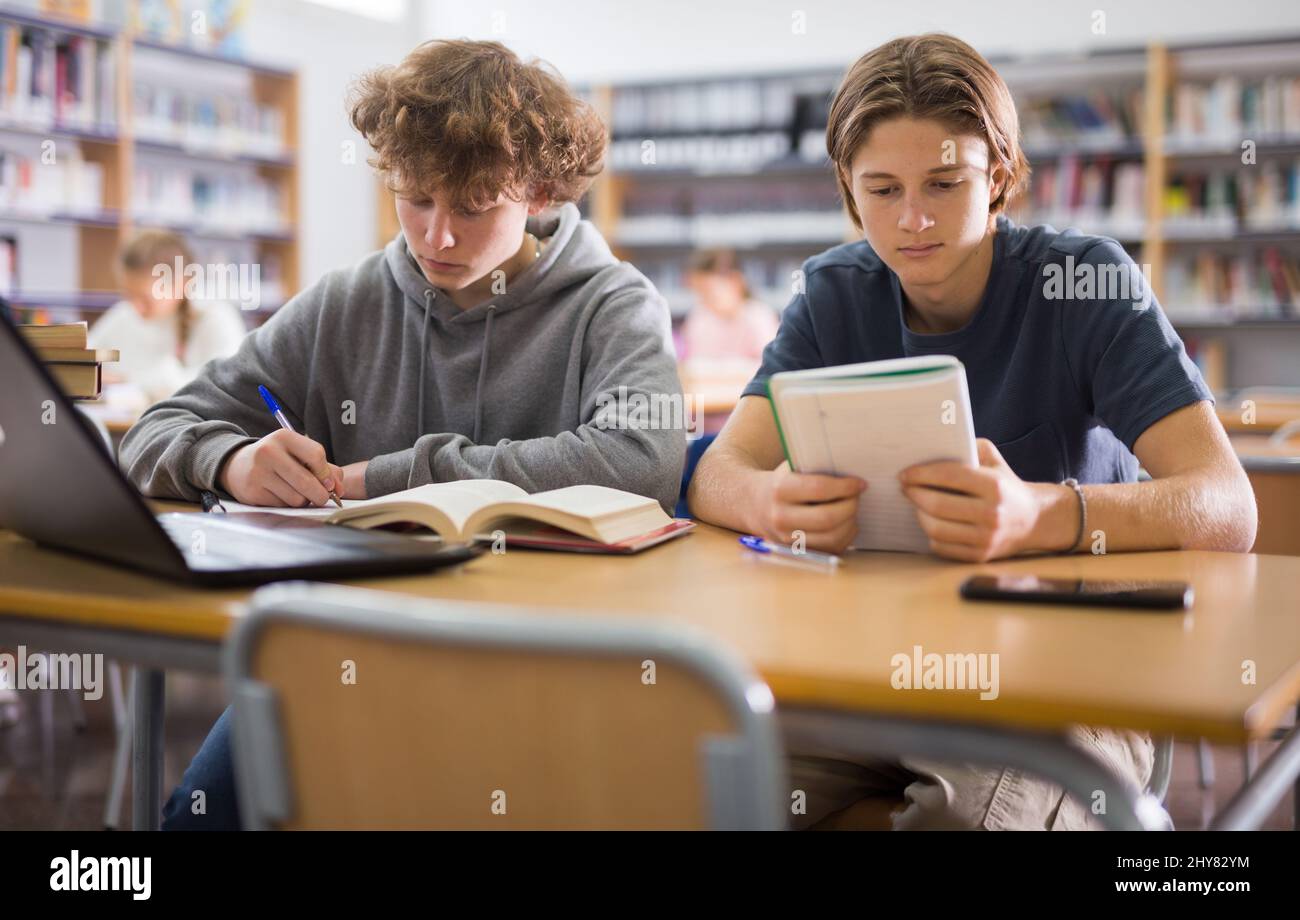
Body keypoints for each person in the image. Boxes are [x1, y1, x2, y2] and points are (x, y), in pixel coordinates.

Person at [687, 33, 1257, 830]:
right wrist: (766, 503)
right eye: (881, 189)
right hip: (868, 661)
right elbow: (719, 471)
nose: (913, 219)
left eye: (945, 182)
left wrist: (1040, 516)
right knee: (703, 787)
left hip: (1069, 671)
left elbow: (1228, 505)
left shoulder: (1085, 281)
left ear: (999, 175)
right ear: (850, 193)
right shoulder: (832, 295)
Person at [118, 39, 686, 830]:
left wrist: (383, 479)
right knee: (197, 822)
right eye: (415, 199)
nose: (437, 237)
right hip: (347, 652)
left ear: (539, 190)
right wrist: (232, 460)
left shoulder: (613, 304)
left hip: (548, 661)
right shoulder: (348, 301)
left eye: (474, 207)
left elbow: (643, 460)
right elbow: (153, 431)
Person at [89, 231, 247, 404]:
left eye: (146, 298)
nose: (136, 307)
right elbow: (85, 359)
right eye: (128, 295)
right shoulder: (123, 314)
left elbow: (224, 385)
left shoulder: (216, 318)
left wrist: (137, 384)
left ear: (183, 282)